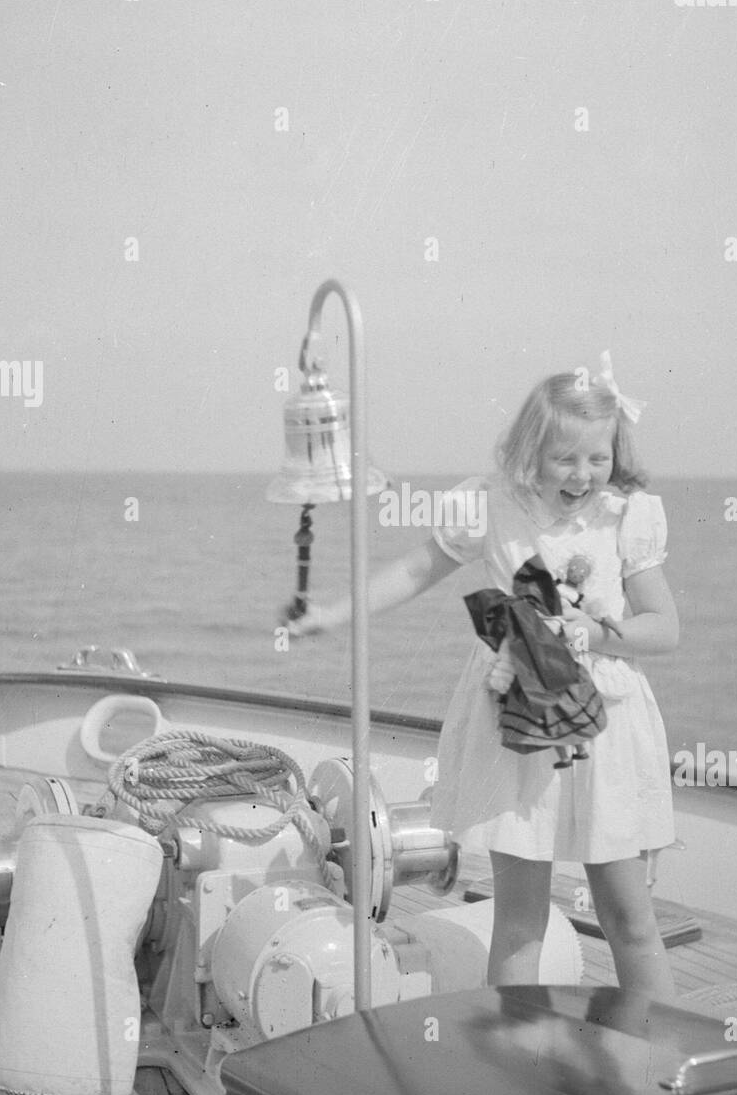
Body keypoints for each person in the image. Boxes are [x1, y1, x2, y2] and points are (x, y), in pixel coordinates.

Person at [287, 354, 679, 997]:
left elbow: (664, 625)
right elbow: (415, 572)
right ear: (533, 450)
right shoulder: (488, 506)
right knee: (520, 922)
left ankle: (664, 1054)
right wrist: (334, 613)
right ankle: (518, 1065)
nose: (583, 476)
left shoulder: (626, 516)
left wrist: (597, 632)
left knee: (628, 916)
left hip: (601, 729)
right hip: (515, 723)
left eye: (597, 459)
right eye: (565, 459)